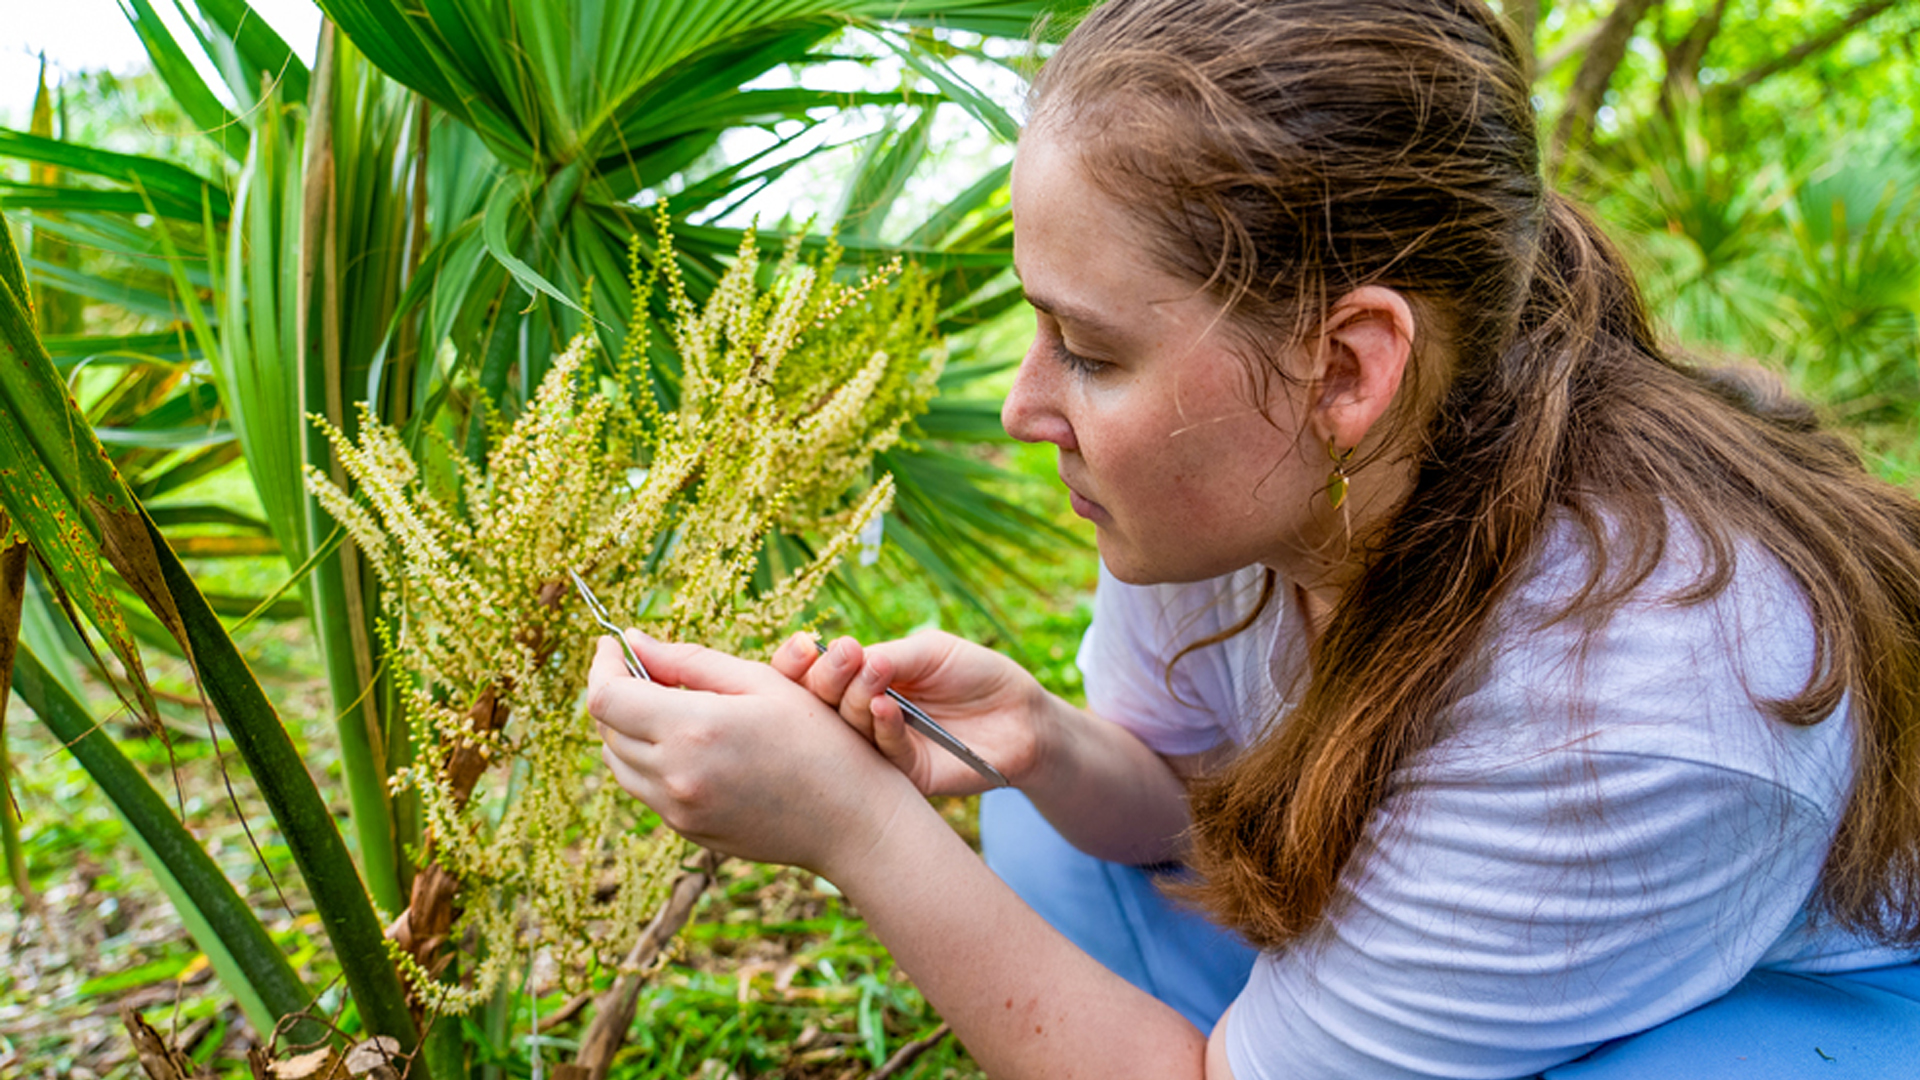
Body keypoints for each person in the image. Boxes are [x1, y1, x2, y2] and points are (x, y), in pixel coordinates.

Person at [586, 0, 1920, 1075]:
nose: (1022, 405)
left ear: (1347, 369)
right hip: (1508, 901)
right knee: (1050, 823)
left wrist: (856, 829)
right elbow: (1188, 809)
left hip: (1821, 1005)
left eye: (1093, 353)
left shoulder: (1613, 716)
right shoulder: (1249, 482)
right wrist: (1044, 740)